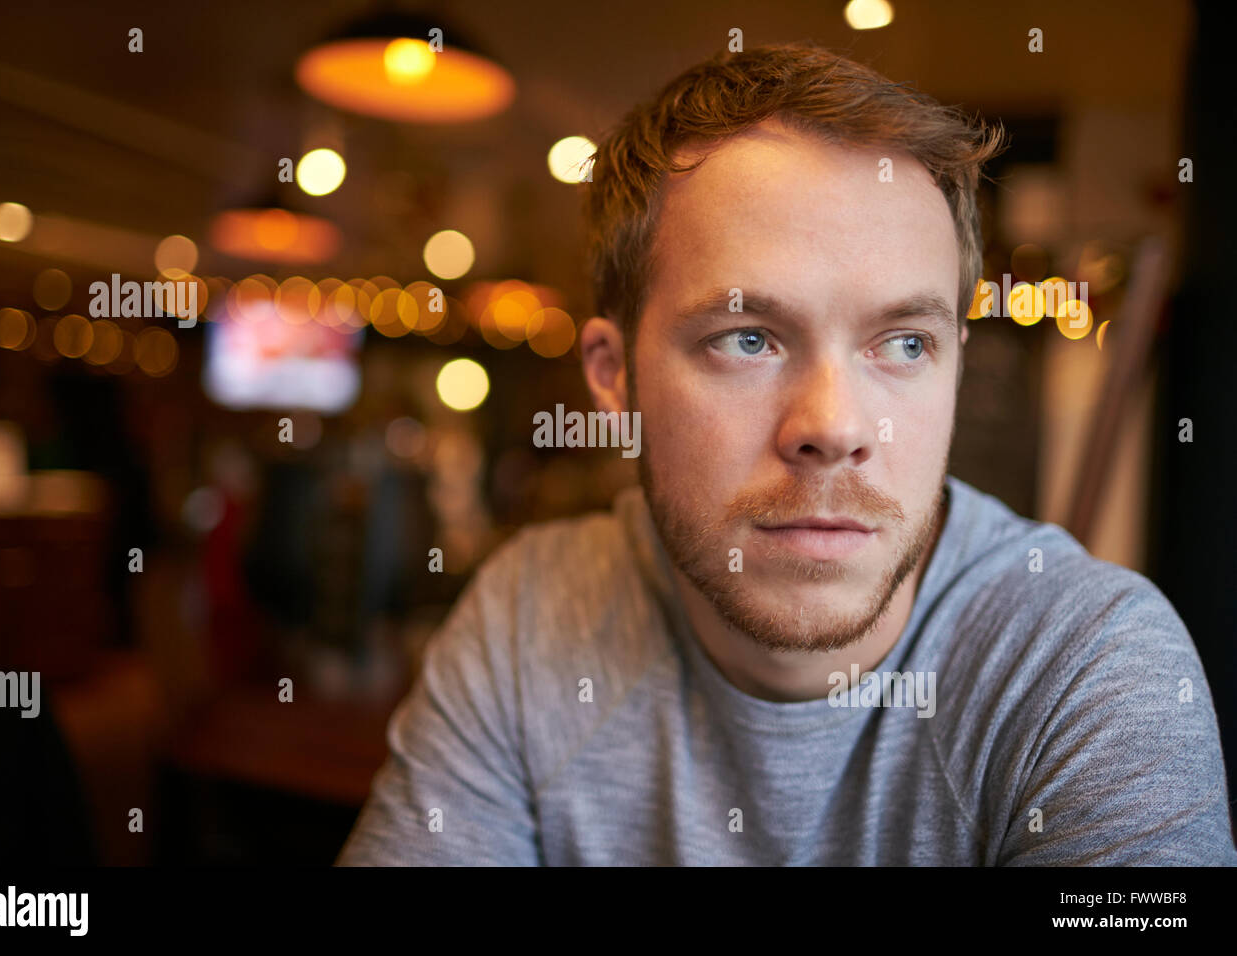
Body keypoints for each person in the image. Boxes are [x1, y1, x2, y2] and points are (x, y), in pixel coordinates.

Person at [336, 43, 1237, 865]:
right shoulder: (531, 620)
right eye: (747, 338)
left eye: (905, 343)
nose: (835, 426)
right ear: (613, 378)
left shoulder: (1083, 664)